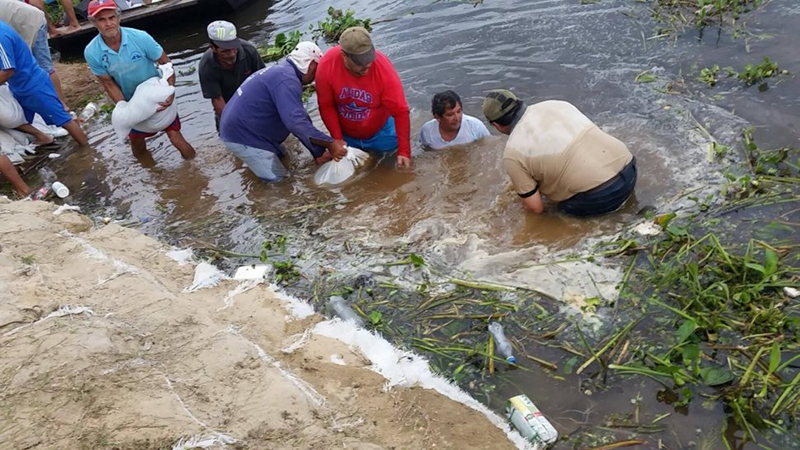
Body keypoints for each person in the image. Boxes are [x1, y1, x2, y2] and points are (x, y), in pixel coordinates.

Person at [483, 90, 636, 216]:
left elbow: (535, 208)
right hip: (630, 169)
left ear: (495, 125)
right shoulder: (557, 104)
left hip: (600, 197)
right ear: (518, 102)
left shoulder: (512, 152)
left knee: (555, 214)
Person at [219, 42, 348, 182]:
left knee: (283, 157)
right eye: (318, 68)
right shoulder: (286, 80)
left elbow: (299, 116)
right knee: (280, 183)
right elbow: (296, 123)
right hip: (242, 136)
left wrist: (318, 152)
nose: (317, 75)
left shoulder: (282, 72)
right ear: (311, 65)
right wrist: (331, 144)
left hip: (243, 128)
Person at [84, 0, 195, 160]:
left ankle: (194, 166)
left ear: (118, 17)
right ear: (93, 22)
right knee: (136, 143)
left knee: (175, 138)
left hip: (157, 95)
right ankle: (150, 171)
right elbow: (108, 83)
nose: (109, 24)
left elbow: (165, 63)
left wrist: (169, 90)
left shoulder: (140, 37)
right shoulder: (92, 52)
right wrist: (124, 108)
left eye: (112, 17)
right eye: (102, 20)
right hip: (131, 100)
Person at [316, 27, 412, 168]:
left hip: (381, 133)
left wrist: (404, 151)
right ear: (345, 56)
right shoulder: (327, 65)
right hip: (347, 136)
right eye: (360, 62)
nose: (367, 65)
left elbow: (401, 111)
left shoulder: (383, 69)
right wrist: (337, 140)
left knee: (391, 167)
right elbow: (326, 105)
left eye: (369, 58)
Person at [0, 20, 88, 146]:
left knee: (65, 121)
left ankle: (87, 148)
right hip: (19, 86)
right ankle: (43, 137)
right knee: (15, 120)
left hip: (34, 86)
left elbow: (8, 70)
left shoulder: (1, 36)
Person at [1, 0, 70, 110]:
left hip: (32, 22)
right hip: (22, 25)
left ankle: (61, 105)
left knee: (44, 66)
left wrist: (51, 28)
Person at [198, 20, 264, 130]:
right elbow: (217, 100)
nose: (232, 54)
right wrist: (234, 124)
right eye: (225, 51)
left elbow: (263, 82)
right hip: (228, 105)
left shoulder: (249, 51)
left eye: (234, 48)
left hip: (253, 100)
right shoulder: (207, 66)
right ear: (213, 48)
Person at [420, 90, 490, 150]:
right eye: (450, 115)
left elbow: (490, 148)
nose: (457, 118)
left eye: (459, 111)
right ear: (437, 117)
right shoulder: (427, 131)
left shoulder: (476, 127)